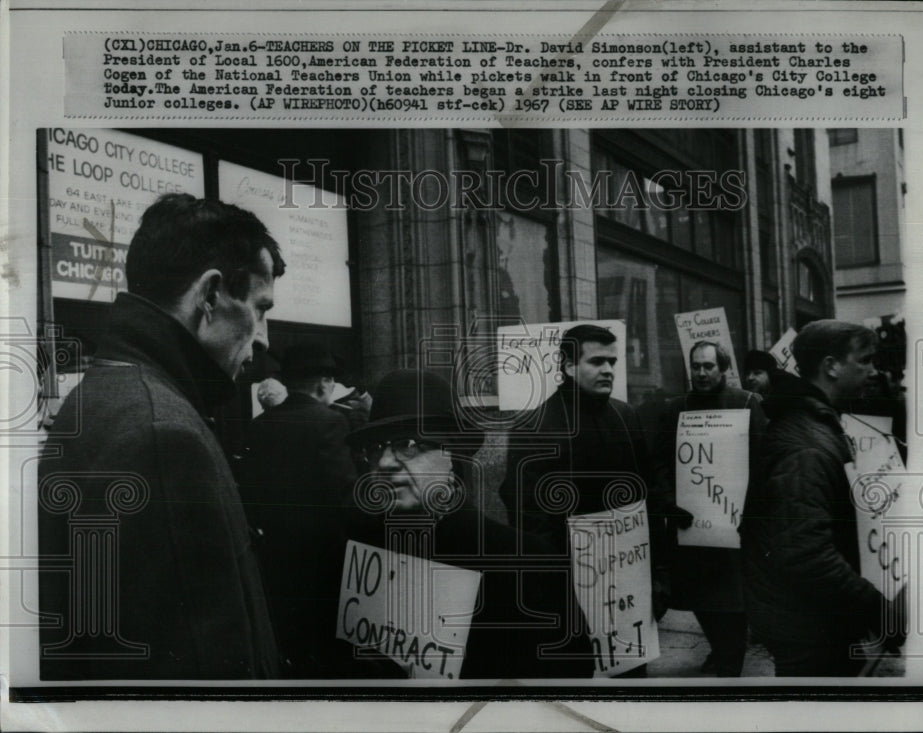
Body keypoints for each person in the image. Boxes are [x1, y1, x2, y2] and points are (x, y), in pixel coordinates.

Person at [38, 193, 284, 679]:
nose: (263, 338)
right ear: (210, 296)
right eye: (260, 308)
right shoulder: (164, 437)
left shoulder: (105, 393)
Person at [343, 369, 593, 679]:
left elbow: (566, 677)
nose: (384, 462)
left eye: (407, 444)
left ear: (452, 455)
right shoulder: (359, 552)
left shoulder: (525, 561)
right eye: (376, 448)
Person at [499, 324, 669, 675]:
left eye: (612, 361)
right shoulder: (535, 427)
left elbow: (648, 499)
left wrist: (660, 577)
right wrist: (553, 596)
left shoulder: (626, 416)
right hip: (570, 594)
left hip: (628, 593)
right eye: (596, 361)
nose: (608, 370)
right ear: (568, 365)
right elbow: (529, 521)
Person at [740, 320, 907, 676]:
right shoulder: (807, 445)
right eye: (863, 360)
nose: (873, 370)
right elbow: (807, 553)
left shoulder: (815, 423)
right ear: (831, 366)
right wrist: (879, 610)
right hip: (807, 628)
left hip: (813, 619)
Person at [238, 341, 358, 677]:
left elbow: (250, 494)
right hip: (323, 564)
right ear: (323, 383)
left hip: (274, 561)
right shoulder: (330, 423)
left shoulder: (260, 426)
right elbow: (345, 497)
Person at [655, 341, 767, 677]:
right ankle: (721, 648)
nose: (701, 373)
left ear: (723, 368)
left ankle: (729, 658)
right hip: (692, 522)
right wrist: (668, 502)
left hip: (734, 521)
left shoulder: (746, 403)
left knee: (733, 597)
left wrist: (753, 511)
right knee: (699, 595)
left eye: (708, 366)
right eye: (696, 367)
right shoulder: (677, 407)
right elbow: (660, 462)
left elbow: (762, 459)